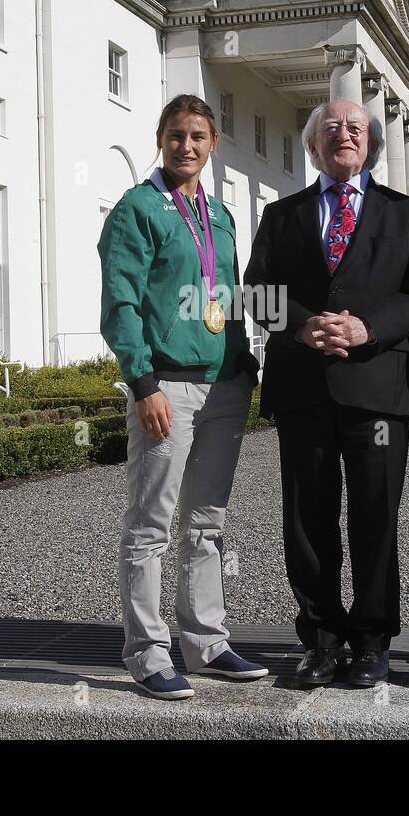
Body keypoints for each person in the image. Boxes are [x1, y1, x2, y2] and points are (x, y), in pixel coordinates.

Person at [245, 99, 409, 689]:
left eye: (355, 128)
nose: (344, 135)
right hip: (303, 386)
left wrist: (367, 328)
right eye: (331, 129)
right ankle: (322, 640)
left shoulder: (406, 214)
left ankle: (374, 642)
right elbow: (255, 291)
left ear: (373, 144)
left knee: (375, 518)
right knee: (307, 520)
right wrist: (301, 324)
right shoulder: (282, 215)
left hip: (378, 389)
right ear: (312, 147)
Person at [98, 94, 266, 700]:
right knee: (150, 524)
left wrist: (245, 365)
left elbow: (233, 294)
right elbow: (120, 304)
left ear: (213, 143)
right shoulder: (137, 210)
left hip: (223, 386)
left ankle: (204, 641)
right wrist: (142, 383)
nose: (186, 146)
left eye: (198, 136)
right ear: (160, 139)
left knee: (207, 522)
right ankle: (146, 650)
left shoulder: (219, 214)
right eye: (175, 135)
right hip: (166, 384)